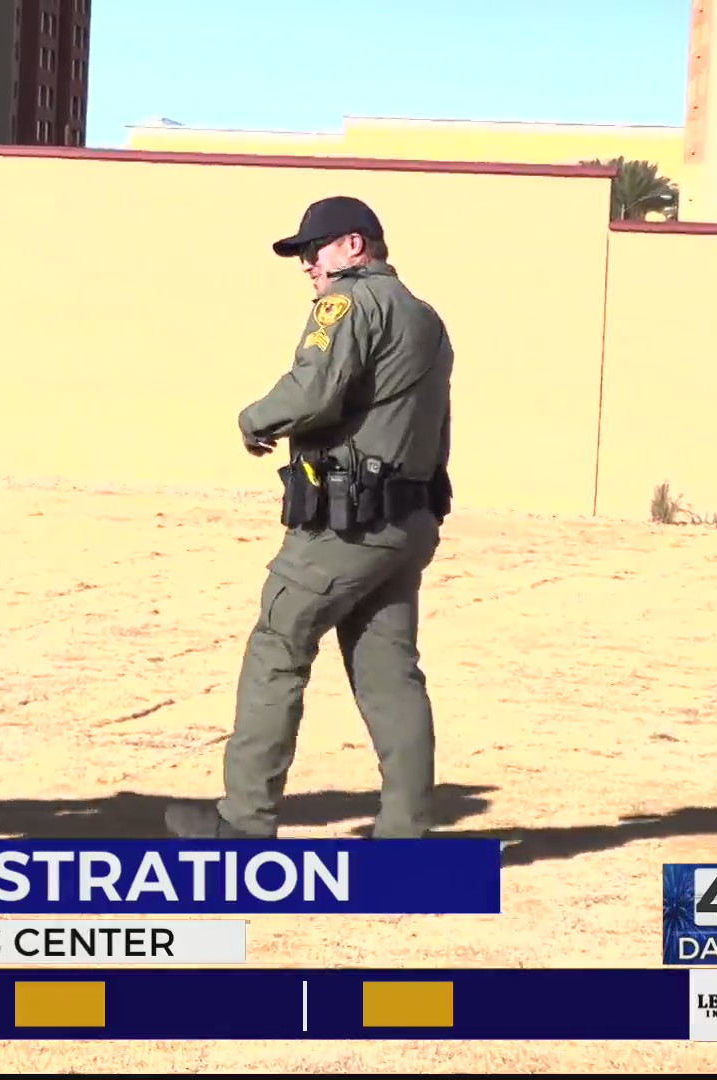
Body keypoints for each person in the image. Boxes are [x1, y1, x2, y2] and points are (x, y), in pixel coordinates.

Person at [166, 196, 455, 841]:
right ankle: (406, 835)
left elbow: (313, 390)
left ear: (354, 245)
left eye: (313, 250)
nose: (306, 265)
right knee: (391, 676)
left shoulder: (347, 303)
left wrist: (253, 420)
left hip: (343, 528)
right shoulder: (426, 318)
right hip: (405, 522)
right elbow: (436, 425)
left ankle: (243, 822)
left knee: (277, 648)